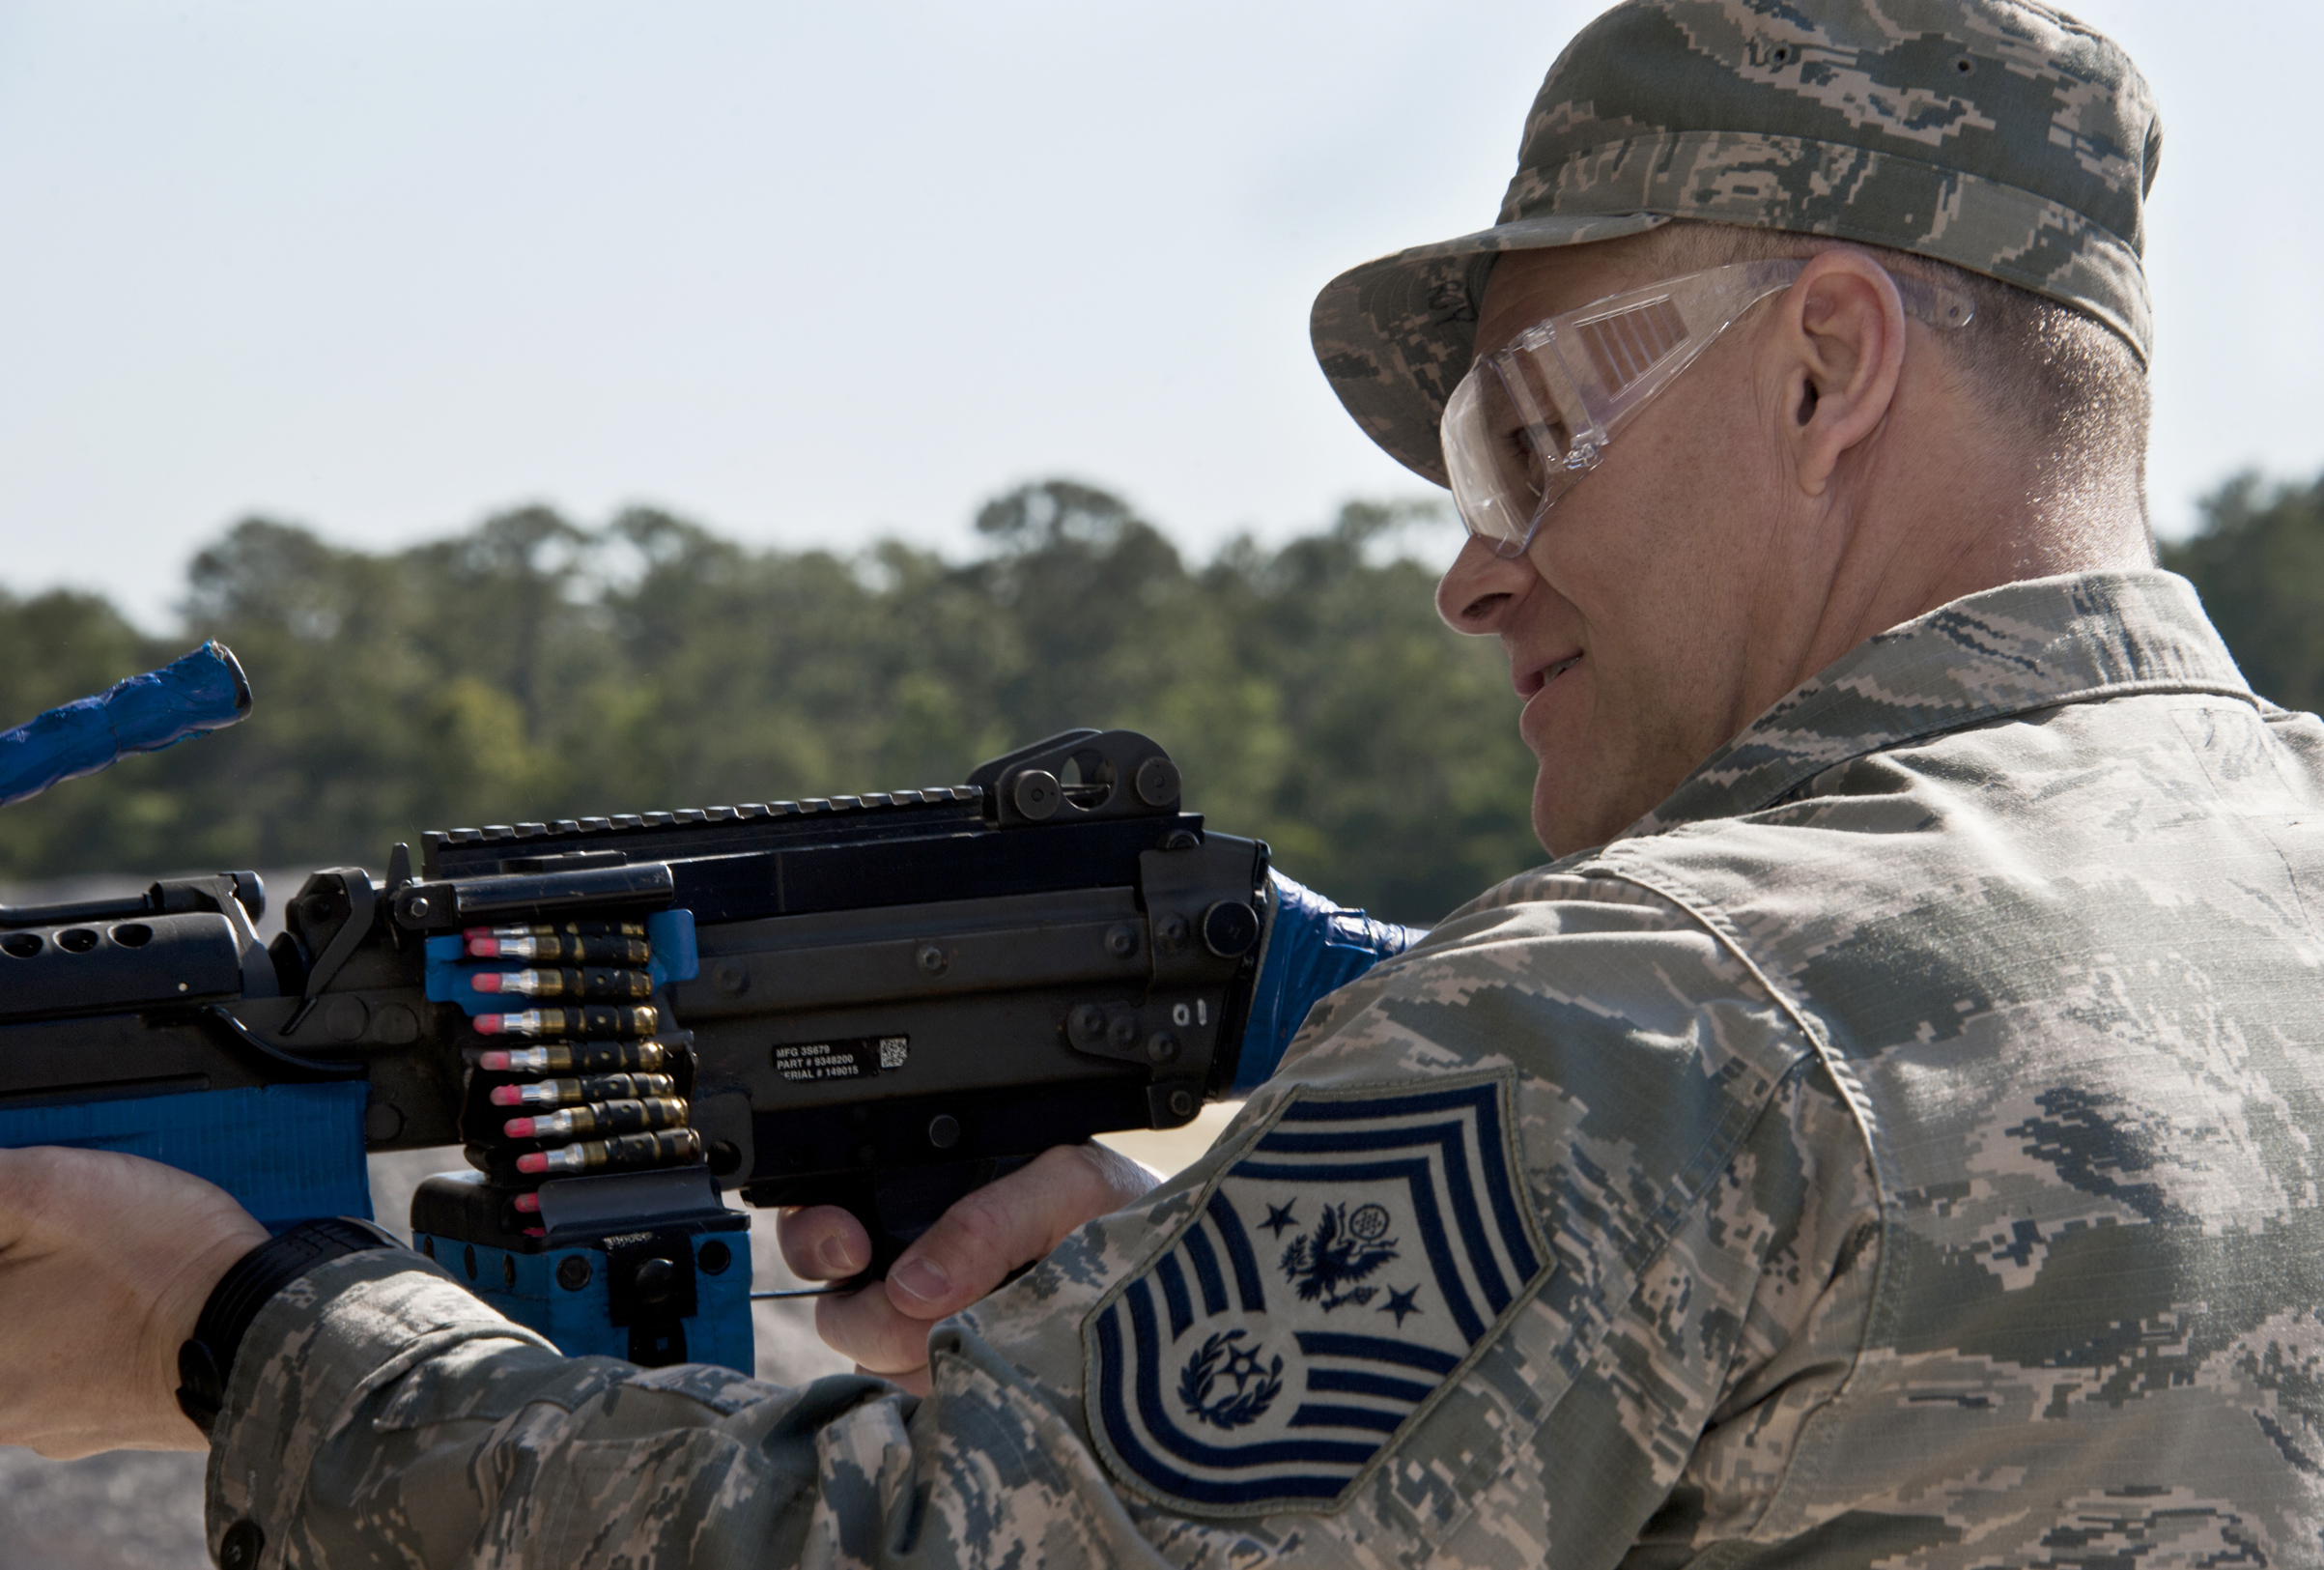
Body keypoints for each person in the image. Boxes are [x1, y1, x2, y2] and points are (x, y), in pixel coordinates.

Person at [6, 0, 2321, 1563]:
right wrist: (1218, 1333)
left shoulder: (1660, 1009)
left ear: (1828, 366)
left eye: (1527, 433)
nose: (1474, 568)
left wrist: (240, 1332)